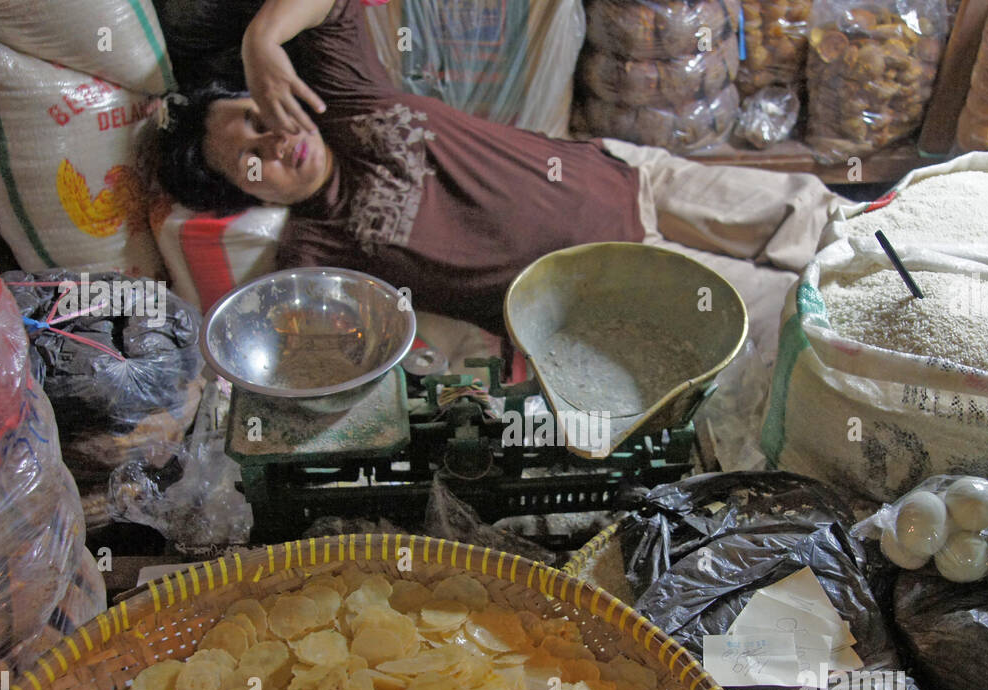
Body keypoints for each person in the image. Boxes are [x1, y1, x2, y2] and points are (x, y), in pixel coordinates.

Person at [155, 0, 837, 467]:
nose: (275, 144)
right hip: (626, 287)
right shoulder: (317, 251)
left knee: (825, 218)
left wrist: (261, 42)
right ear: (248, 198)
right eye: (251, 165)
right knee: (797, 322)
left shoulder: (344, 94)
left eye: (256, 116)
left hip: (628, 180)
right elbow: (319, 358)